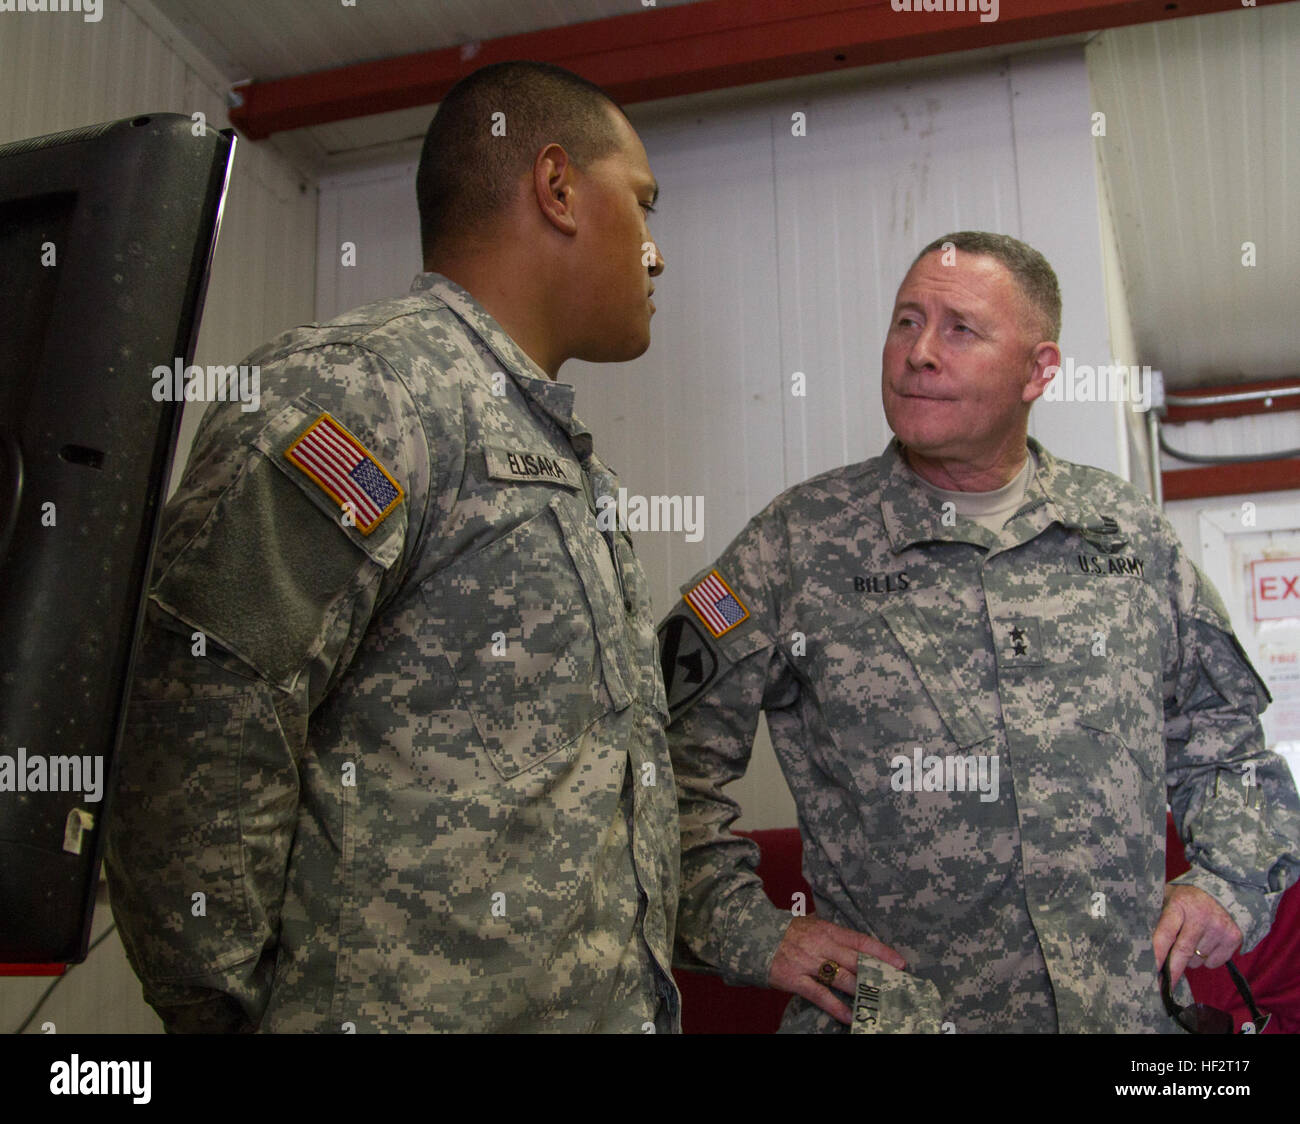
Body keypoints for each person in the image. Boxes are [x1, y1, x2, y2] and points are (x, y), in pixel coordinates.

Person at [105, 60, 679, 1033]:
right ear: (557, 188)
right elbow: (203, 720)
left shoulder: (552, 453)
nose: (656, 253)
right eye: (643, 202)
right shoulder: (368, 393)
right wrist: (219, 1015)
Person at [658, 231, 1300, 1032]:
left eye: (960, 328)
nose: (920, 353)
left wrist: (1228, 885)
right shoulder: (797, 546)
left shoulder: (1129, 537)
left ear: (1039, 370)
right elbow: (648, 763)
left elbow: (1230, 751)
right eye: (905, 322)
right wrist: (756, 934)